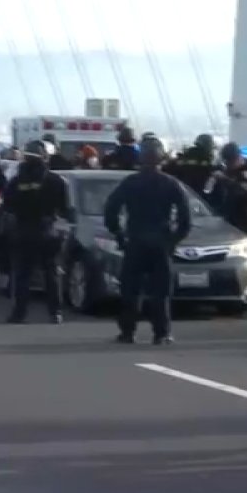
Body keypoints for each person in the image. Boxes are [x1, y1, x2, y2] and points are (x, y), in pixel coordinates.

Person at [103, 135, 192, 345]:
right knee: (161, 291)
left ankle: (128, 332)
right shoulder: (171, 184)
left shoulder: (130, 183)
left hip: (135, 241)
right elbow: (185, 218)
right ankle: (161, 333)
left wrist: (118, 233)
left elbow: (110, 210)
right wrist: (173, 240)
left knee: (130, 290)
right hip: (160, 242)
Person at [2, 139, 72, 324]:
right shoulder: (56, 181)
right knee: (51, 273)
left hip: (22, 231)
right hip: (48, 232)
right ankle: (55, 313)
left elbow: (7, 206)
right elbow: (65, 209)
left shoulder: (15, 181)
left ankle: (19, 313)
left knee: (22, 275)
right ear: (45, 157)